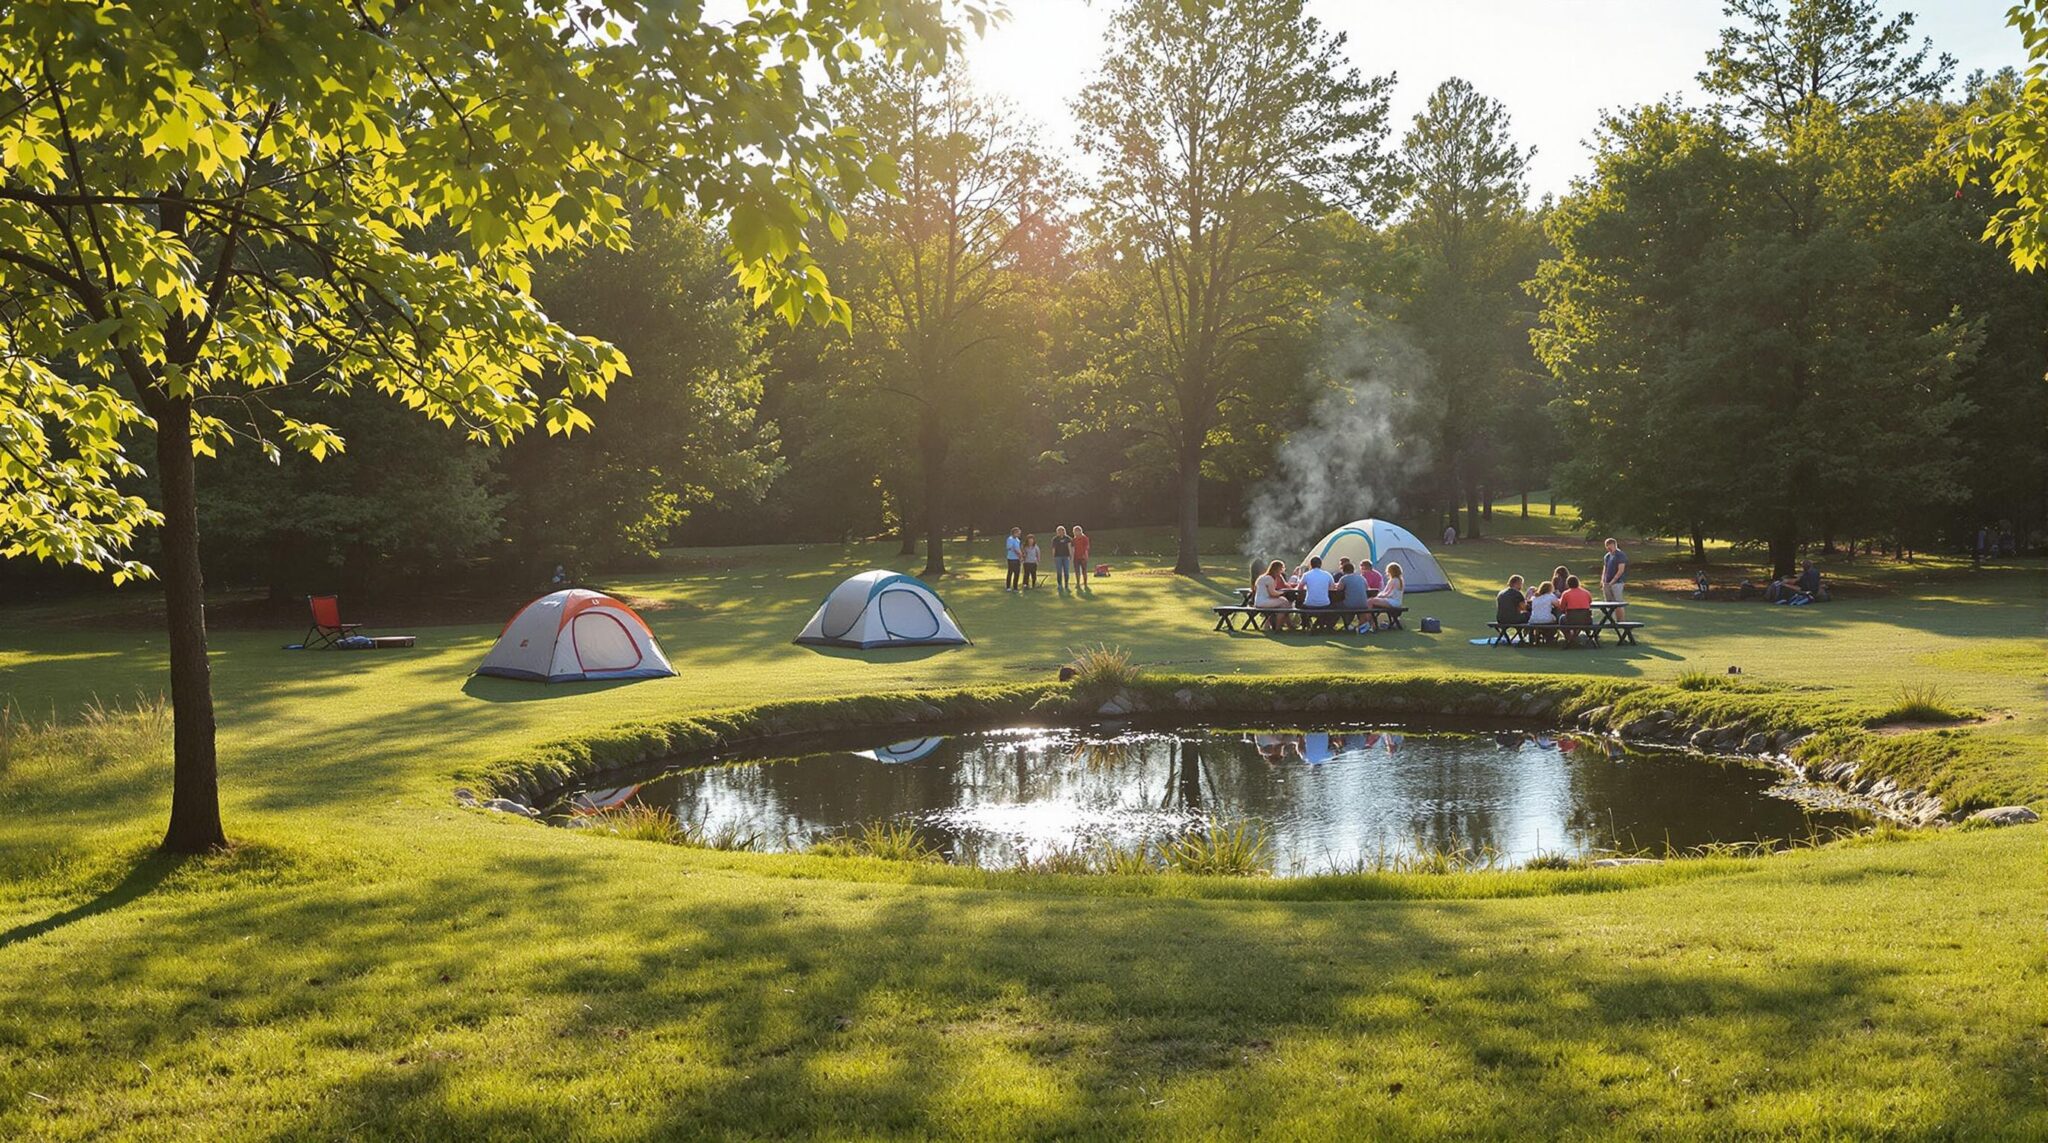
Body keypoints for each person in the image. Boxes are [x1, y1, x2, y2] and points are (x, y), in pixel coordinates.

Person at [1253, 559, 1296, 629]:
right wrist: (1282, 593)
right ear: (1277, 569)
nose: (1282, 571)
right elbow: (1272, 593)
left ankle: (1286, 624)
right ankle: (1279, 626)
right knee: (1285, 603)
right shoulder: (1269, 579)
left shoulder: (1262, 577)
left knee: (1284, 604)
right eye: (1281, 569)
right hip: (1264, 602)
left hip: (1258, 601)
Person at [1365, 561, 1405, 628]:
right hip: (1397, 601)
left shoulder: (1393, 580)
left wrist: (1379, 596)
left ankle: (1368, 622)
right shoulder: (1400, 580)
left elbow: (1388, 593)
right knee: (1372, 601)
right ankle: (1371, 622)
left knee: (1370, 601)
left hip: (1392, 601)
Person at [1298, 556, 1335, 626]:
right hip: (1325, 604)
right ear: (1320, 564)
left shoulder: (1306, 575)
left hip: (1309, 604)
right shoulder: (1327, 574)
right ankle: (1322, 624)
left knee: (1299, 604)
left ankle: (1305, 623)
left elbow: (1299, 588)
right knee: (1334, 606)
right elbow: (1332, 588)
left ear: (1311, 565)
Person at [1558, 574, 1594, 645]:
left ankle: (1569, 638)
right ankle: (1574, 637)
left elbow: (1561, 607)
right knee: (1580, 618)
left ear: (1567, 584)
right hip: (1586, 620)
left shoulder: (1566, 593)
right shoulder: (1586, 593)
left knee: (1561, 618)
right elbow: (1590, 603)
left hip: (1570, 620)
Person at [1600, 537, 1628, 620]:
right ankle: (1611, 621)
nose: (1609, 548)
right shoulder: (1607, 556)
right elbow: (1605, 569)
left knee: (1618, 603)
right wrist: (1603, 581)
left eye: (1610, 546)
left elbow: (1621, 570)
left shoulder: (1620, 555)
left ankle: (1621, 621)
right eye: (1607, 546)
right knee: (1608, 603)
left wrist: (1612, 582)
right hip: (1607, 582)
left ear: (1614, 545)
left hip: (1617, 583)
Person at [1052, 526, 1073, 590]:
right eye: (1059, 531)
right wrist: (1053, 556)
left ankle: (1066, 584)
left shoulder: (1068, 538)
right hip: (1058, 557)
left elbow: (1070, 547)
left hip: (1066, 557)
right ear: (1057, 532)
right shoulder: (1055, 539)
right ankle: (1059, 584)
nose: (1061, 532)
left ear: (1064, 531)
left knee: (1066, 571)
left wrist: (1071, 555)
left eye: (1062, 530)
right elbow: (1053, 548)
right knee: (1059, 571)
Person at [1004, 527, 1022, 592]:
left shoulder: (1018, 540)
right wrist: (1018, 553)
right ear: (1014, 533)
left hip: (1017, 559)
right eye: (1018, 533)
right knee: (1010, 572)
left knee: (1017, 573)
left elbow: (1019, 549)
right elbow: (1010, 548)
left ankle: (1015, 587)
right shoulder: (1010, 539)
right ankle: (1008, 587)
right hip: (1011, 559)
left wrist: (1020, 556)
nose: (1019, 534)